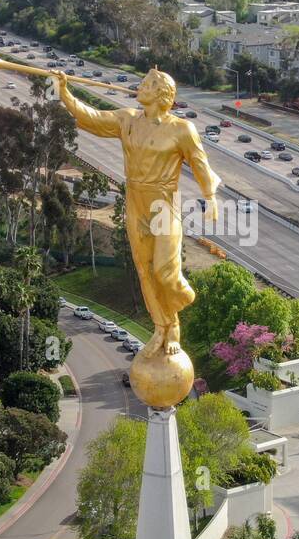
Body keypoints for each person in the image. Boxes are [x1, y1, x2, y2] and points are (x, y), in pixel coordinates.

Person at [54, 68, 219, 359]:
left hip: (164, 204)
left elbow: (199, 162)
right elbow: (91, 118)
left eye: (146, 84)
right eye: (142, 83)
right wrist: (65, 91)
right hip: (135, 200)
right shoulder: (127, 119)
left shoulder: (181, 129)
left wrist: (210, 196)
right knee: (143, 269)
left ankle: (182, 297)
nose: (139, 87)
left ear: (161, 93)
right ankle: (164, 326)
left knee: (164, 273)